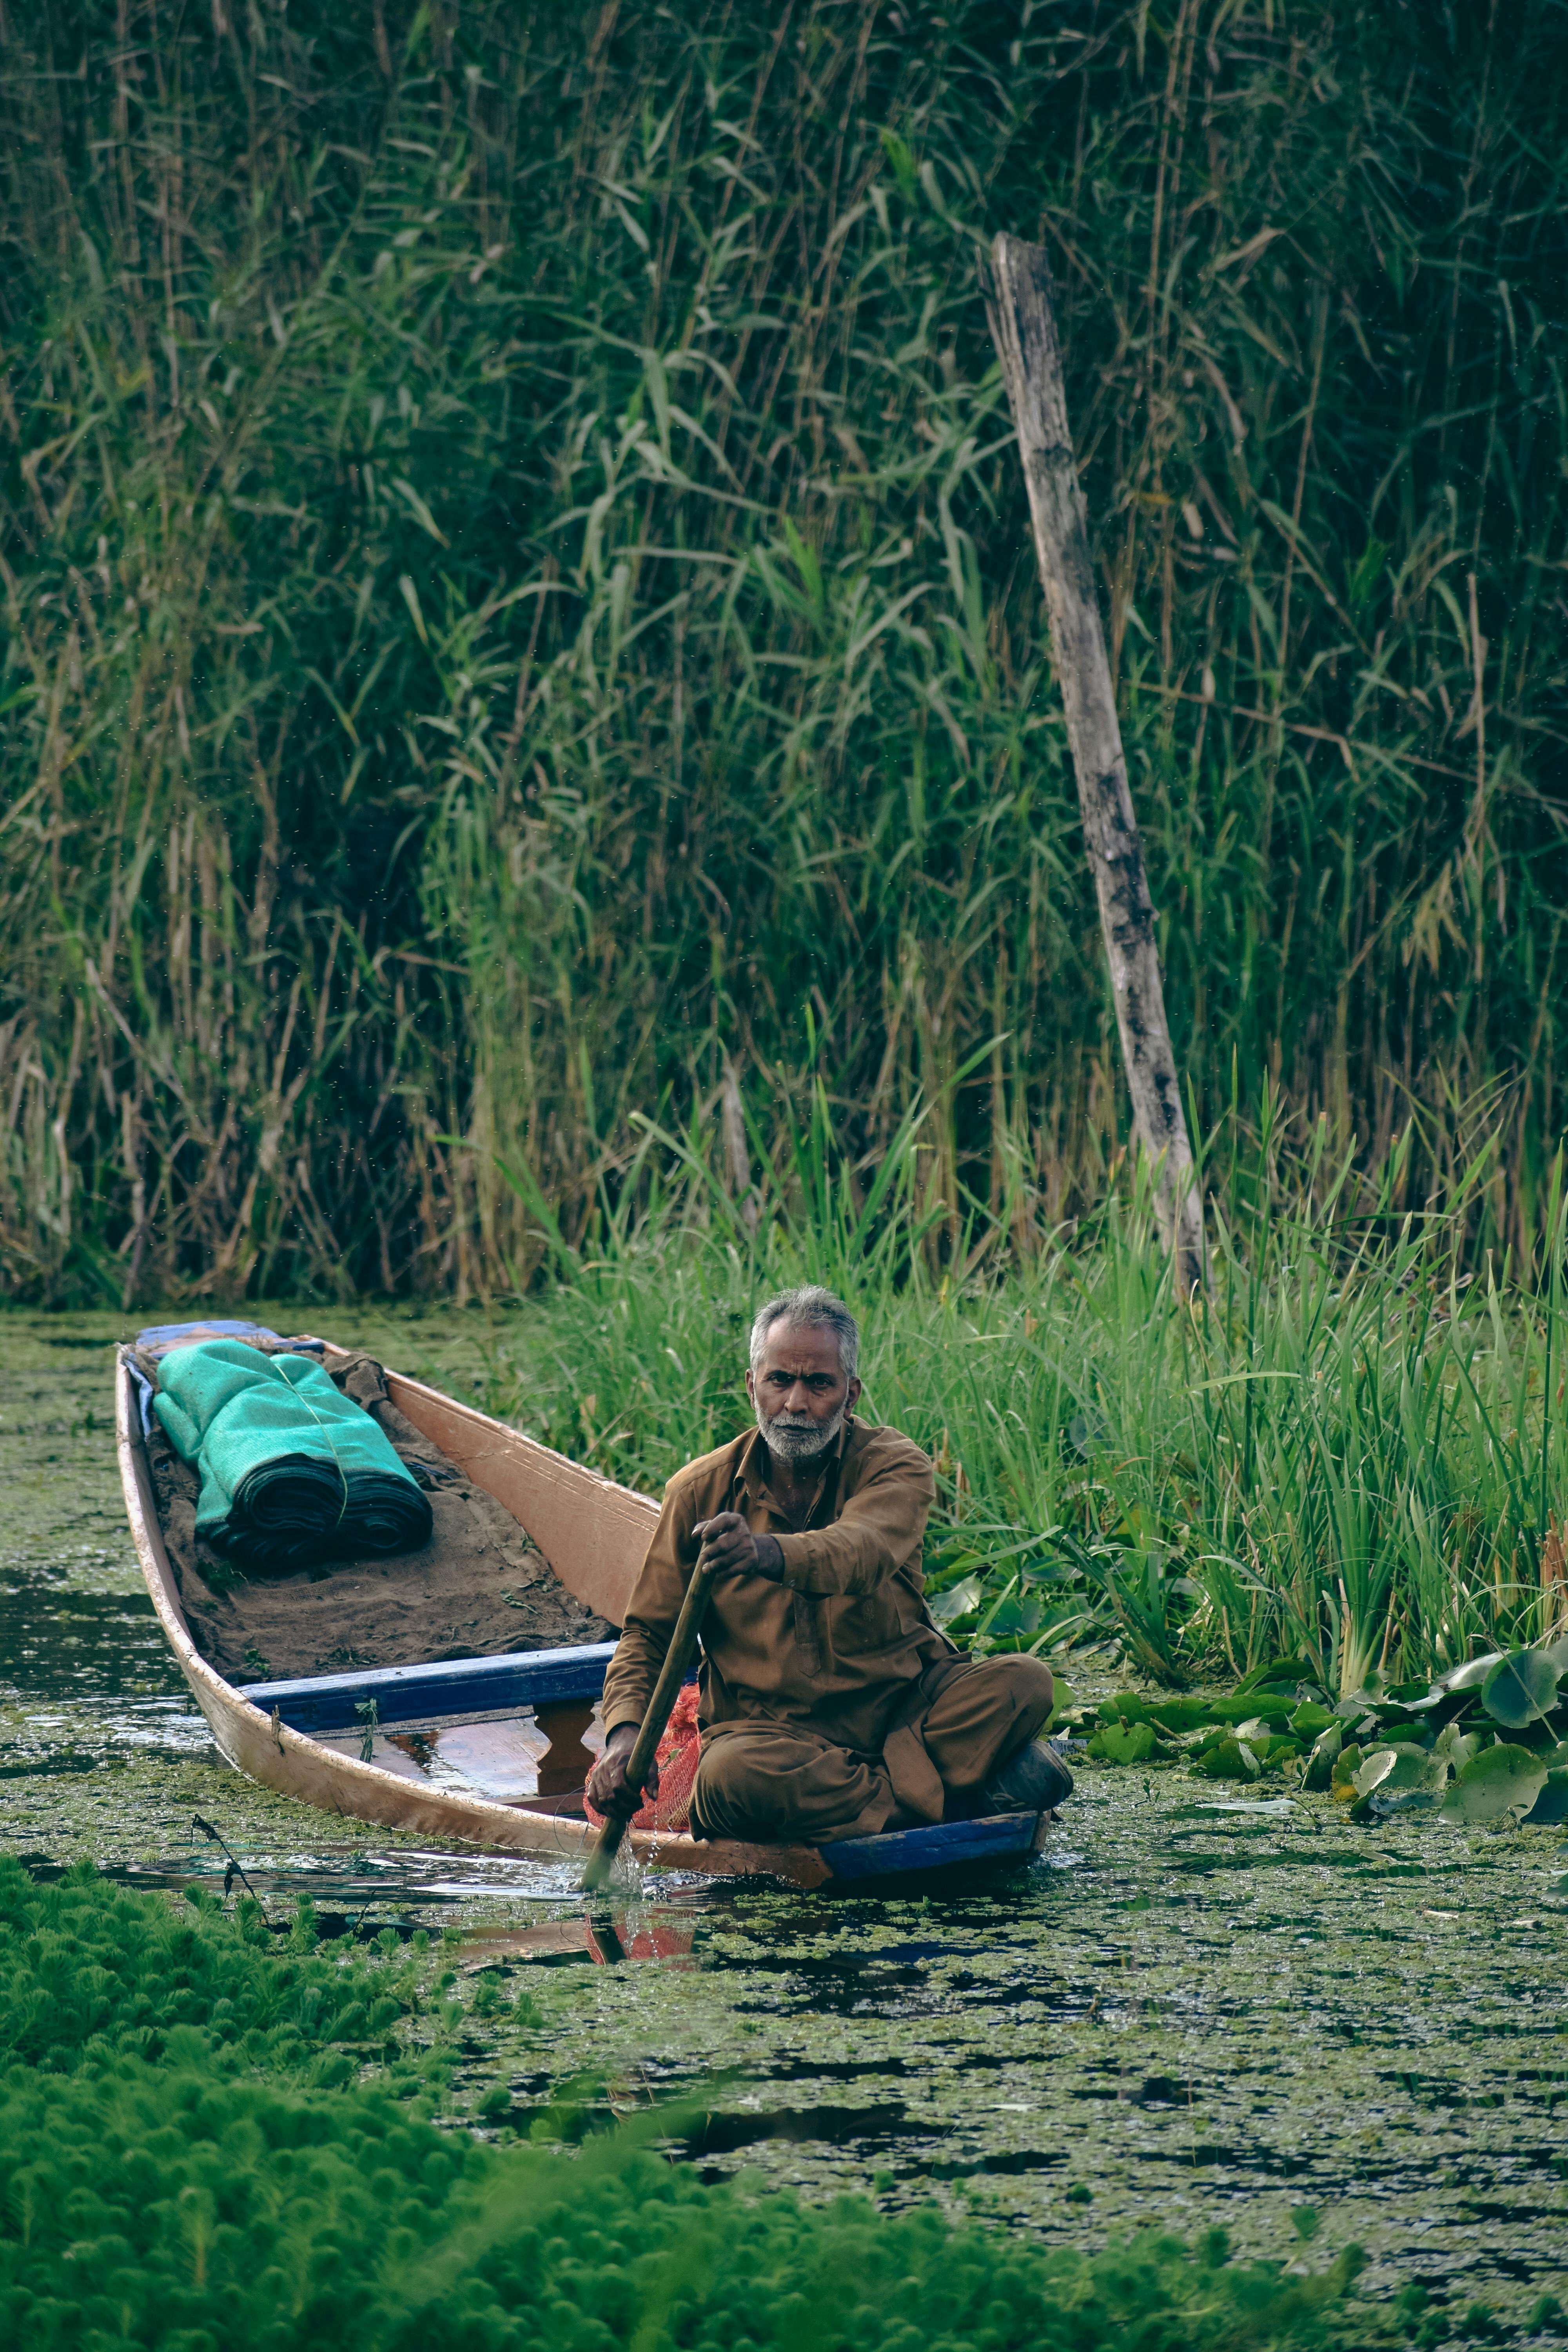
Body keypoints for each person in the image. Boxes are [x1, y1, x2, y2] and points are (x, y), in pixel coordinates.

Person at [587, 1285, 1072, 1844]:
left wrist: (766, 1553)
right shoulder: (698, 1493)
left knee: (1027, 1683)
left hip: (902, 1715)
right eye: (780, 1381)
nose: (796, 1403)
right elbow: (650, 1633)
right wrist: (623, 1738)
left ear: (851, 1393)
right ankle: (953, 1800)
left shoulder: (896, 1467)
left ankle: (874, 1803)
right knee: (726, 1780)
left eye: (819, 1384)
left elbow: (859, 1552)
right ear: (752, 1387)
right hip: (773, 1741)